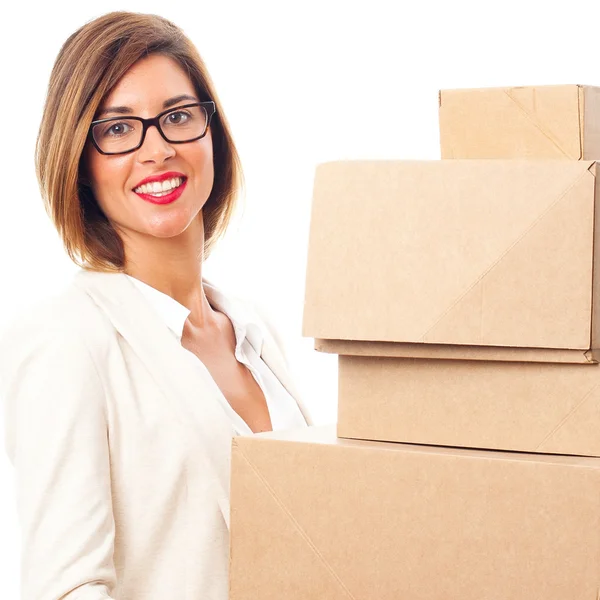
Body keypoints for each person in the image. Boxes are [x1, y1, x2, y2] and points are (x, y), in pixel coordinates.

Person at [0, 10, 312, 600]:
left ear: (210, 133)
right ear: (80, 161)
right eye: (118, 130)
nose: (158, 149)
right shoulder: (64, 341)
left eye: (177, 117)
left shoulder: (255, 329)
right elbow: (68, 587)